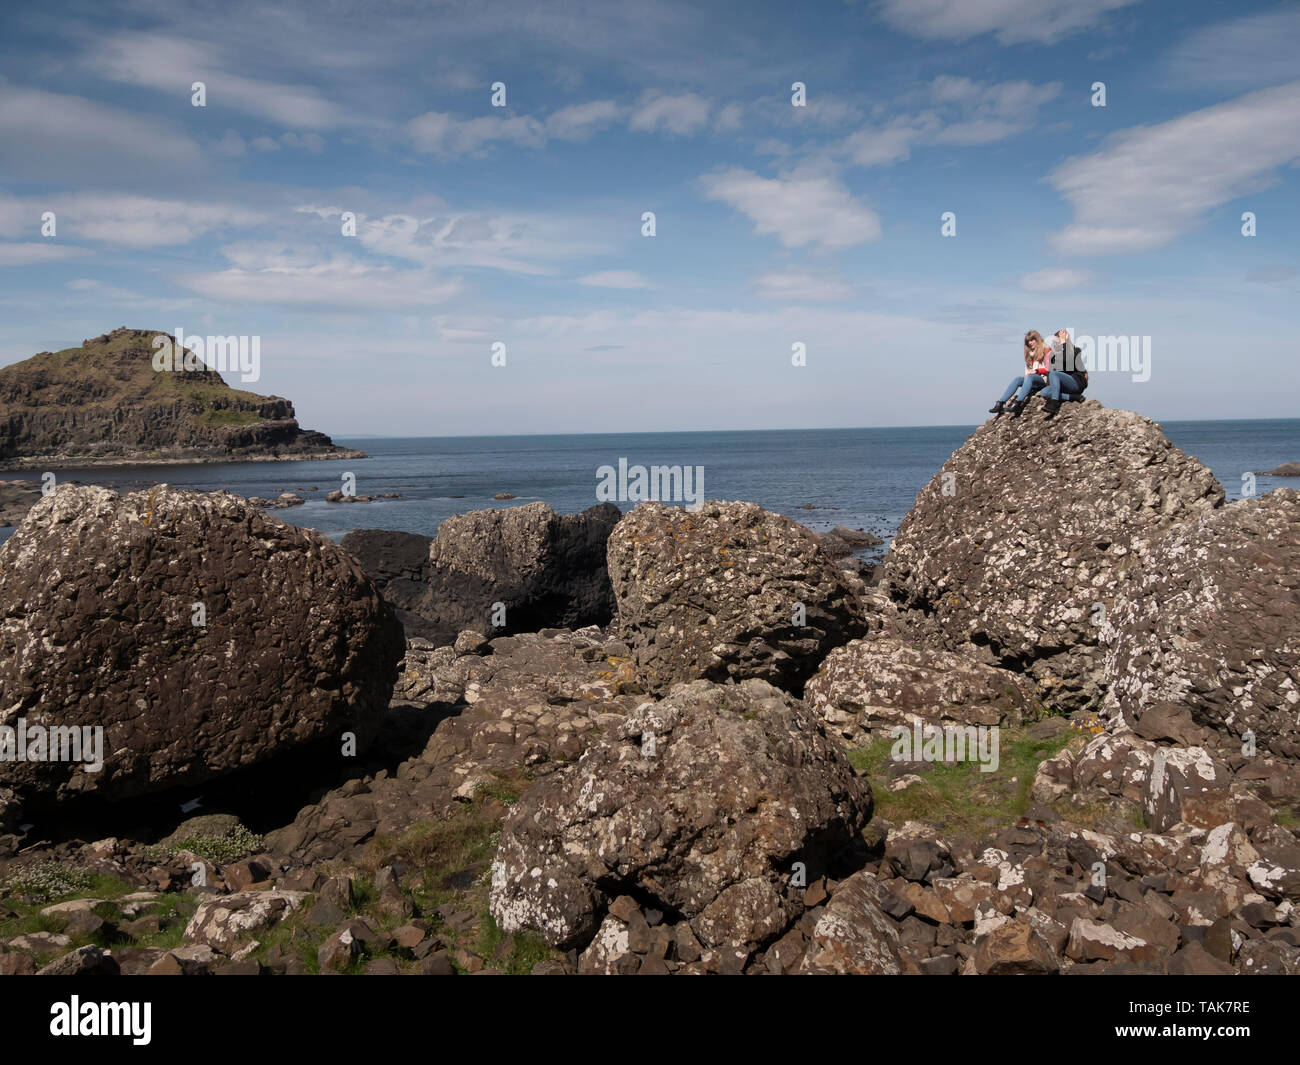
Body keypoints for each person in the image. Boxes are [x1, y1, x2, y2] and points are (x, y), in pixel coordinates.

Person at [988, 331, 1050, 417]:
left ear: (1037, 340)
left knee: (1030, 377)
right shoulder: (1030, 353)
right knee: (1018, 379)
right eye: (1028, 341)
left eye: (1032, 340)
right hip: (1032, 379)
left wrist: (1037, 371)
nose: (1030, 343)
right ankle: (1001, 403)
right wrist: (1028, 375)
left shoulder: (1047, 350)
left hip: (1045, 379)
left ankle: (1018, 402)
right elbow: (1028, 370)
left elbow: (1049, 369)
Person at [1041, 329, 1088, 418]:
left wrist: (1063, 344)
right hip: (1063, 386)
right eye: (1053, 342)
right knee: (1045, 392)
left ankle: (1054, 403)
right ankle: (1072, 397)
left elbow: (1065, 362)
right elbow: (1050, 373)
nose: (1054, 344)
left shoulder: (1075, 350)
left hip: (1075, 382)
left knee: (1055, 374)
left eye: (1057, 342)